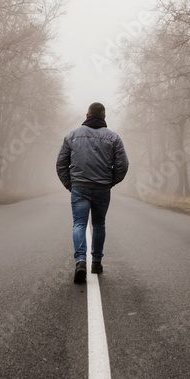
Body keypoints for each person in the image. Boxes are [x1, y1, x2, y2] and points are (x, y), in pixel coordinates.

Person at [56, 102, 129, 284]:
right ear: (104, 117)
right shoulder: (113, 138)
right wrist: (110, 182)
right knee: (99, 224)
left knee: (79, 223)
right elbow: (123, 165)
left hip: (79, 187)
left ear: (87, 115)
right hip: (102, 188)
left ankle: (80, 261)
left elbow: (61, 164)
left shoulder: (72, 136)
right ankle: (96, 262)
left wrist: (71, 184)